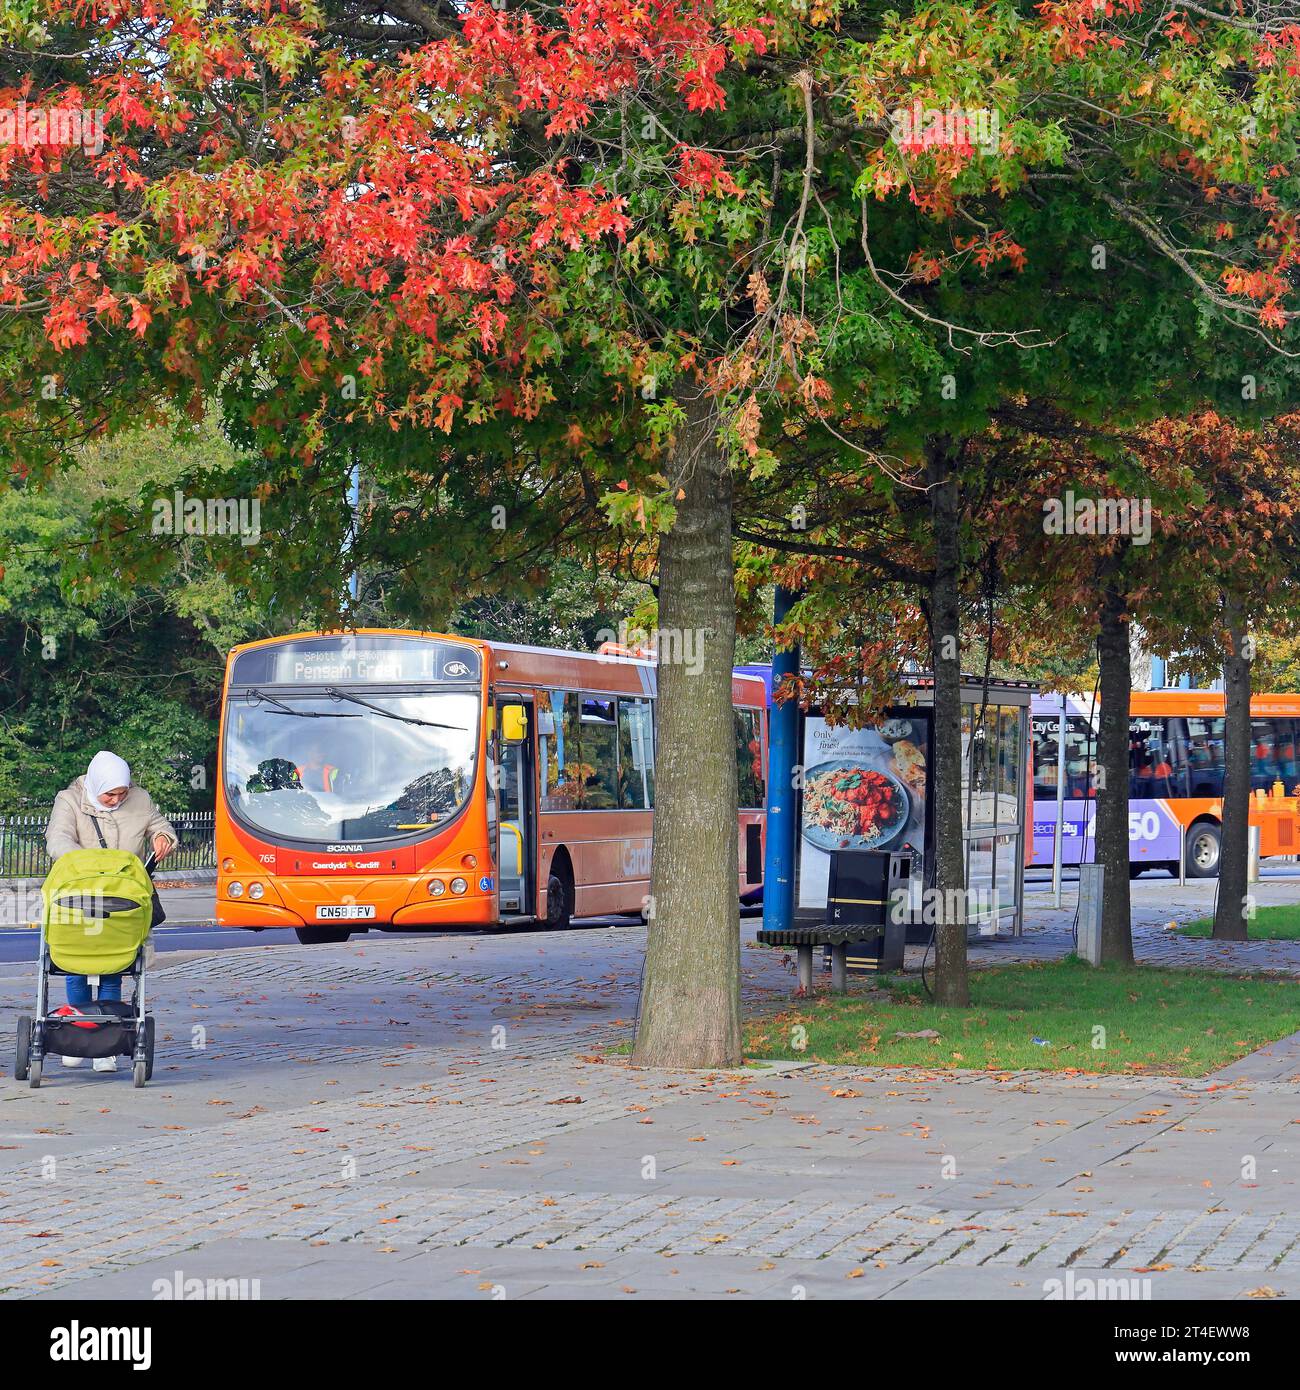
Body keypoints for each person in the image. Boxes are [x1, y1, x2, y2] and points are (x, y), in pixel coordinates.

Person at [45, 751, 176, 1074]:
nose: (117, 798)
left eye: (122, 792)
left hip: (122, 898)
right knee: (76, 963)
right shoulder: (70, 800)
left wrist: (163, 837)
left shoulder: (140, 799)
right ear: (95, 785)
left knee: (114, 963)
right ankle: (76, 1034)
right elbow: (57, 838)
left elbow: (160, 825)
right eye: (110, 793)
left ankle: (106, 1045)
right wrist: (90, 867)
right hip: (79, 892)